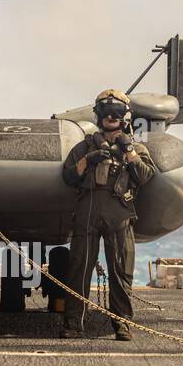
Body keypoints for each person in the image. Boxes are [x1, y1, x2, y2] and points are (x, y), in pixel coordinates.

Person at [59, 89, 156, 341]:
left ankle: (122, 325)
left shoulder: (135, 148)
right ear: (98, 115)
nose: (110, 117)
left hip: (119, 213)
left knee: (121, 271)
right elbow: (68, 176)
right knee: (79, 268)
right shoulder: (84, 147)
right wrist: (88, 161)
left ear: (124, 117)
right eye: (105, 112)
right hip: (88, 210)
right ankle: (73, 324)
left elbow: (145, 176)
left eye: (116, 112)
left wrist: (128, 151)